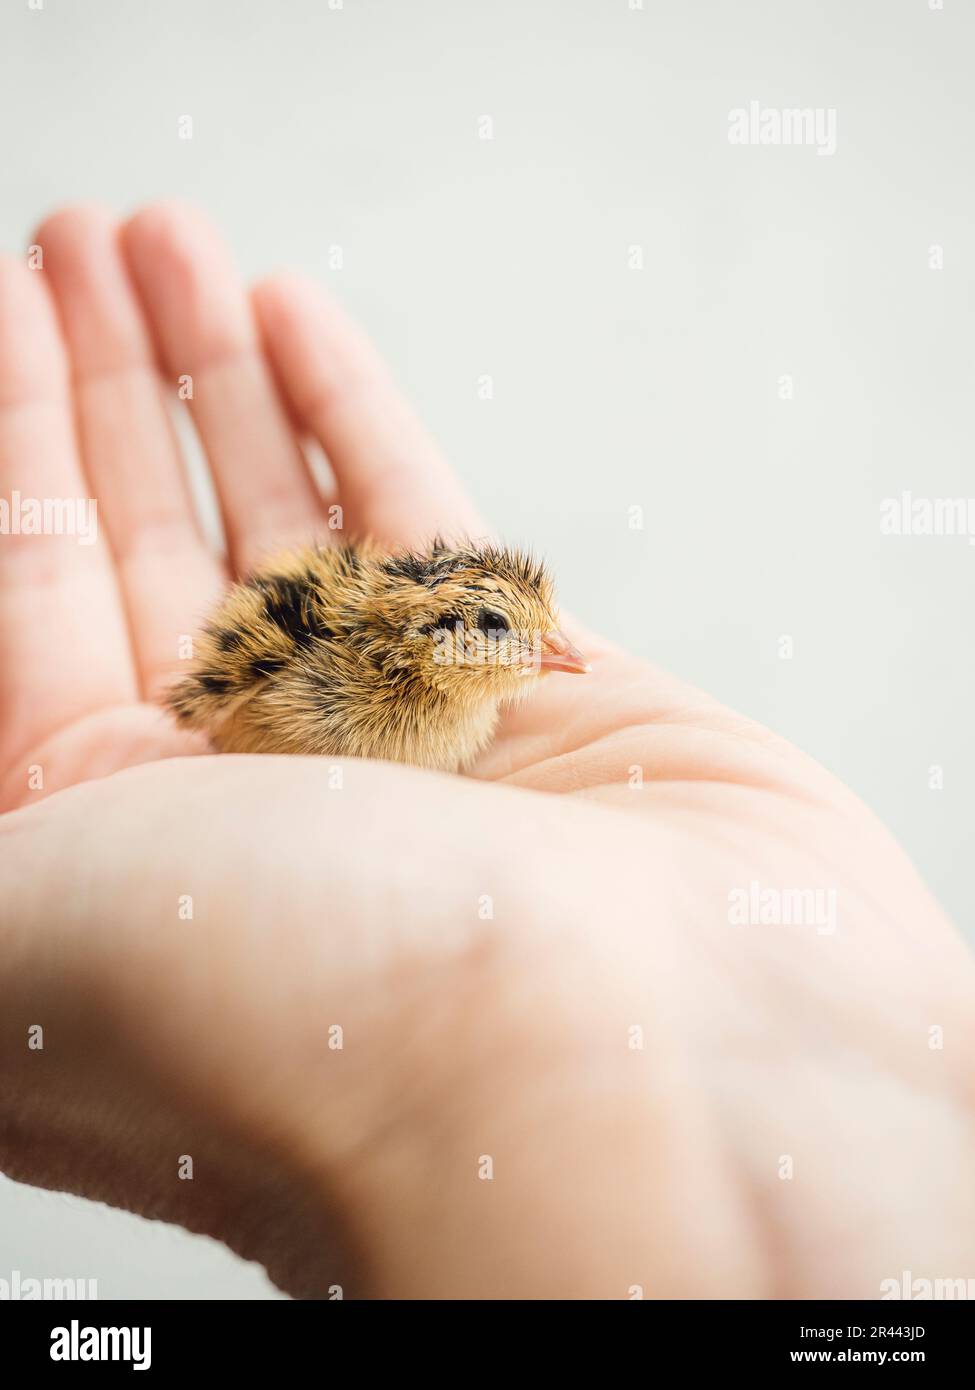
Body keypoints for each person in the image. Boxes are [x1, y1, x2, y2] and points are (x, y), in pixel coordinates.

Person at [1, 203, 972, 1300]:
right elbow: (253, 684)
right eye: (516, 637)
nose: (554, 654)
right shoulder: (382, 689)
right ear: (436, 647)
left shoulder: (458, 695)